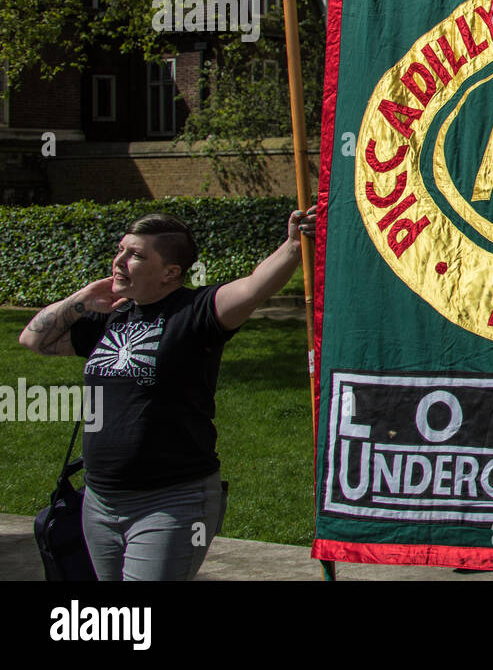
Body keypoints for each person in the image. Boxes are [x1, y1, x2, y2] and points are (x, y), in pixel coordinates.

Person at [18, 206, 316, 580]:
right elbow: (33, 339)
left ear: (169, 273)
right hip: (99, 500)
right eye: (122, 249)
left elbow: (255, 286)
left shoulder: (195, 314)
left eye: (136, 255)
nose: (120, 260)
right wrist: (83, 298)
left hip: (172, 502)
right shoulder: (111, 316)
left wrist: (292, 246)